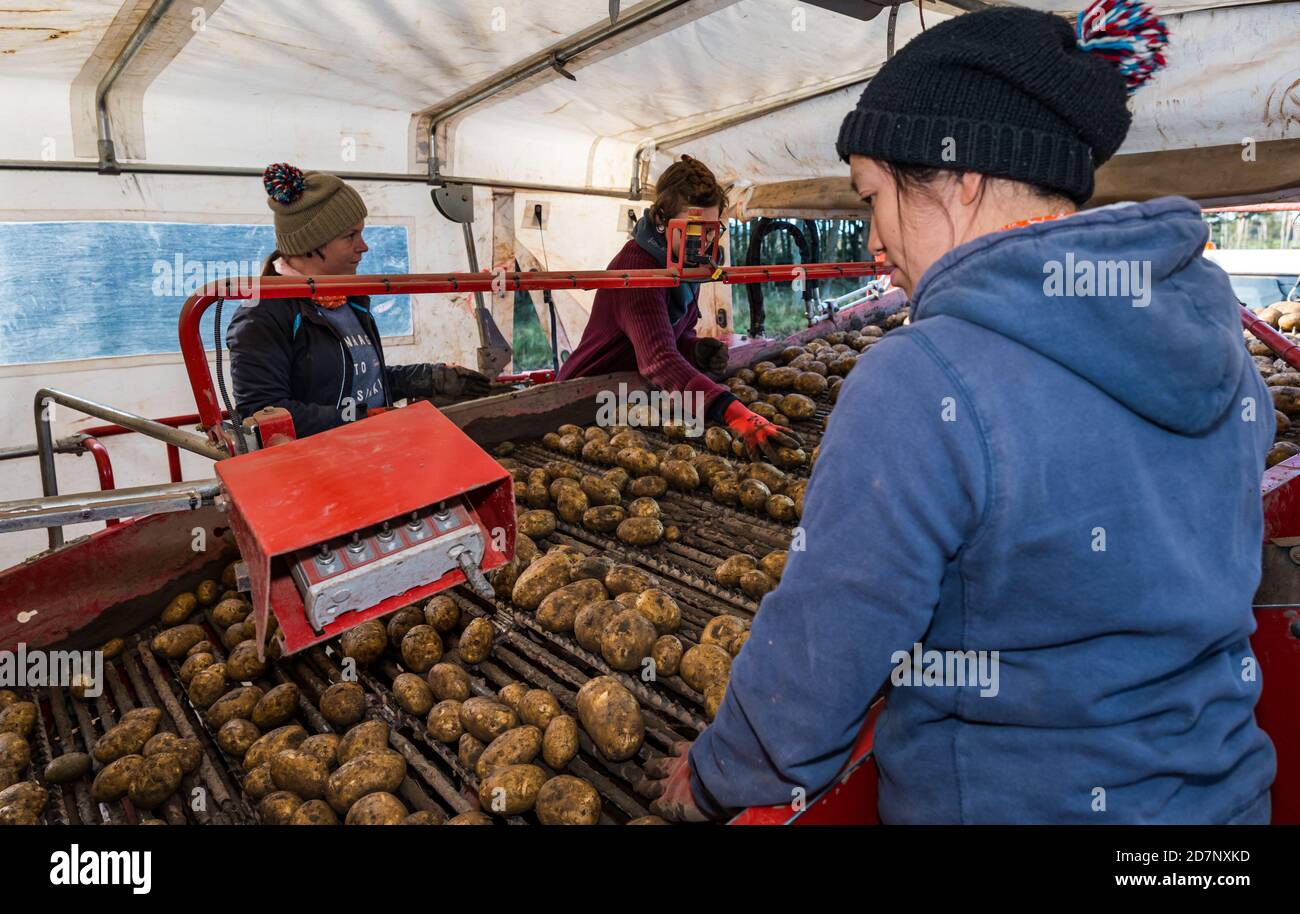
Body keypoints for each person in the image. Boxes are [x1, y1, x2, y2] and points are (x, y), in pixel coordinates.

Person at [643, 0, 1276, 824]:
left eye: (871, 197)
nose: (872, 240)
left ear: (961, 177)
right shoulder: (1213, 341)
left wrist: (721, 773)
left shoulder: (920, 380)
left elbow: (821, 658)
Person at [557, 155, 798, 460]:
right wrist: (733, 412)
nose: (703, 243)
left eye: (711, 231)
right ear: (661, 221)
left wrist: (693, 348)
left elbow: (667, 338)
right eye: (694, 230)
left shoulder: (686, 265)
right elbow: (657, 359)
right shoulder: (638, 269)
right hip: (581, 400)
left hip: (630, 396)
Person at [227, 164, 490, 437]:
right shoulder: (263, 315)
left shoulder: (348, 299)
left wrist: (427, 377)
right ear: (309, 245)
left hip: (368, 446)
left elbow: (361, 381)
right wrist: (364, 417)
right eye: (350, 236)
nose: (363, 246)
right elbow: (263, 413)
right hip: (318, 463)